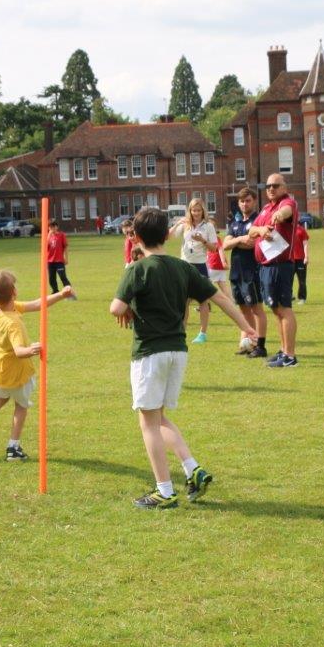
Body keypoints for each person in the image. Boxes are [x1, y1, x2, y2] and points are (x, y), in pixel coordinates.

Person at [109, 206, 254, 509]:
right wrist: (245, 326)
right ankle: (193, 470)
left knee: (148, 422)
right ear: (166, 235)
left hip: (150, 353)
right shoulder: (183, 267)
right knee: (160, 417)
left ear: (135, 237)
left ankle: (165, 490)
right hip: (178, 351)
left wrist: (131, 306)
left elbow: (116, 309)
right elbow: (219, 298)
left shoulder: (137, 269)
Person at [0, 270, 75, 464]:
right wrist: (32, 349)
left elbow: (37, 304)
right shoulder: (13, 323)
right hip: (18, 374)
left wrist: (60, 295)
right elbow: (19, 351)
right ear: (14, 291)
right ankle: (13, 448)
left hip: (0, 371)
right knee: (21, 405)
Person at [246, 174, 300, 367]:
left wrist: (279, 215)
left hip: (280, 265)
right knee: (276, 309)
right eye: (268, 186)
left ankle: (290, 356)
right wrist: (260, 231)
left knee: (284, 309)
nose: (270, 189)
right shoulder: (266, 208)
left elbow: (286, 211)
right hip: (266, 266)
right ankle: (284, 350)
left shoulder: (287, 203)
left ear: (284, 187)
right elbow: (251, 230)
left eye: (275, 185)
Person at [223, 187, 268, 357]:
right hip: (236, 272)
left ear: (254, 201)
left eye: (248, 200)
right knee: (243, 310)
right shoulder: (235, 222)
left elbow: (252, 243)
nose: (244, 204)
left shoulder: (258, 221)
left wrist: (235, 241)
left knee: (257, 310)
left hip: (252, 272)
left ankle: (260, 346)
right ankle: (249, 342)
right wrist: (240, 239)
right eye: (242, 201)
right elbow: (225, 245)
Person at [170, 198, 219, 344]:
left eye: (198, 210)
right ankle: (181, 331)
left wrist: (203, 240)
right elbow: (168, 236)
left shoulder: (208, 226)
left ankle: (202, 333)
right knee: (183, 301)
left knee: (202, 301)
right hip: (184, 266)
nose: (196, 213)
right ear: (189, 211)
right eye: (193, 210)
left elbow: (214, 248)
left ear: (203, 210)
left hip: (200, 266)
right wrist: (177, 224)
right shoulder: (185, 225)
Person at [47, 225, 74, 296]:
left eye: (53, 227)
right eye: (50, 227)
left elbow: (65, 247)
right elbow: (45, 248)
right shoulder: (48, 237)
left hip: (59, 261)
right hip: (50, 261)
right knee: (51, 278)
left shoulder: (61, 235)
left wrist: (66, 258)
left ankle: (70, 293)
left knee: (63, 276)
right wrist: (48, 235)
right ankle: (55, 292)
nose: (51, 228)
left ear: (56, 227)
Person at [292, 218, 311, 304]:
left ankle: (302, 298)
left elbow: (305, 244)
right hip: (289, 259)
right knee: (288, 280)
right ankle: (290, 296)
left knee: (302, 280)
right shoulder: (287, 230)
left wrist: (306, 257)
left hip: (300, 259)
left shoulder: (301, 230)